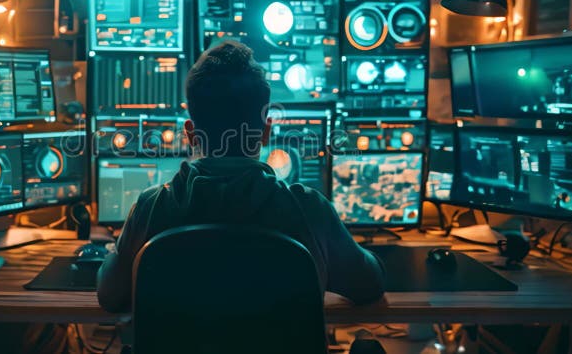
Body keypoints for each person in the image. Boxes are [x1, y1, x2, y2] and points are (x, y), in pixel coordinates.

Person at [97, 41, 386, 312]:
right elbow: (369, 286)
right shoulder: (310, 210)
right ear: (266, 132)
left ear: (191, 134)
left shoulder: (151, 208)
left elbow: (110, 296)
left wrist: (117, 248)